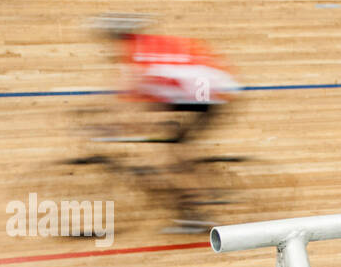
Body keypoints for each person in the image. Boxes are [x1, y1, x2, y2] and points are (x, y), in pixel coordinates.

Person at [86, 13, 240, 218]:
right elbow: (134, 97)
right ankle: (194, 189)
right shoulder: (140, 48)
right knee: (162, 138)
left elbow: (129, 99)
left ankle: (197, 213)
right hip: (193, 91)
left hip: (206, 95)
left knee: (171, 158)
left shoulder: (137, 56)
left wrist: (111, 126)